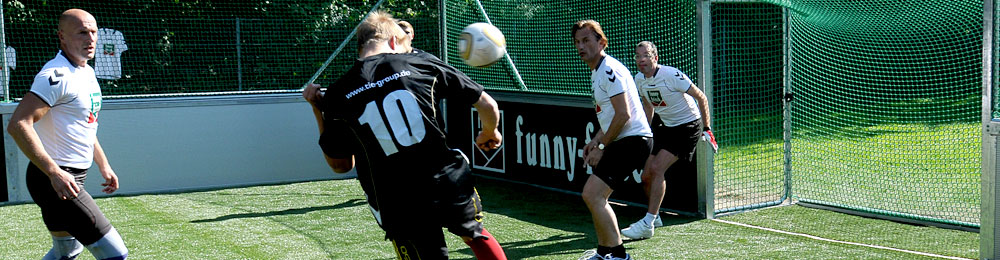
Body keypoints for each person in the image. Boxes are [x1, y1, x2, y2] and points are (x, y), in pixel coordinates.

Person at [303, 10, 507, 260]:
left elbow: (340, 165)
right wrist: (490, 131)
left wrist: (317, 109)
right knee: (474, 234)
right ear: (392, 41)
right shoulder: (420, 63)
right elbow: (487, 105)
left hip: (396, 196)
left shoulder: (337, 93)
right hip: (446, 179)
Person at [7, 9, 128, 260]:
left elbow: (86, 124)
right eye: (82, 32)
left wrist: (103, 165)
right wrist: (54, 172)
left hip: (68, 177)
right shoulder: (55, 76)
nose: (91, 38)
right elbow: (19, 123)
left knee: (67, 251)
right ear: (62, 37)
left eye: (93, 32)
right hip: (55, 181)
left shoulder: (87, 72)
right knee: (116, 254)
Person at [620, 41, 717, 240]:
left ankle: (648, 222)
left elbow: (702, 98)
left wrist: (707, 129)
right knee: (646, 175)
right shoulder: (639, 79)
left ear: (655, 58)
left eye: (645, 55)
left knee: (656, 169)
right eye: (638, 56)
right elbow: (648, 107)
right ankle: (655, 219)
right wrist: (644, 130)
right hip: (667, 127)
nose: (641, 60)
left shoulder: (671, 75)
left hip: (689, 126)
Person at [573, 20, 653, 260]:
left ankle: (618, 255)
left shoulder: (609, 70)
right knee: (595, 196)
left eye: (586, 40)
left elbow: (623, 115)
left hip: (634, 139)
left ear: (601, 42)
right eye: (577, 42)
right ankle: (604, 252)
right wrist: (595, 138)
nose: (581, 46)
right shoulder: (598, 70)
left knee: (593, 195)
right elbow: (609, 115)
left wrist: (600, 146)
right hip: (626, 138)